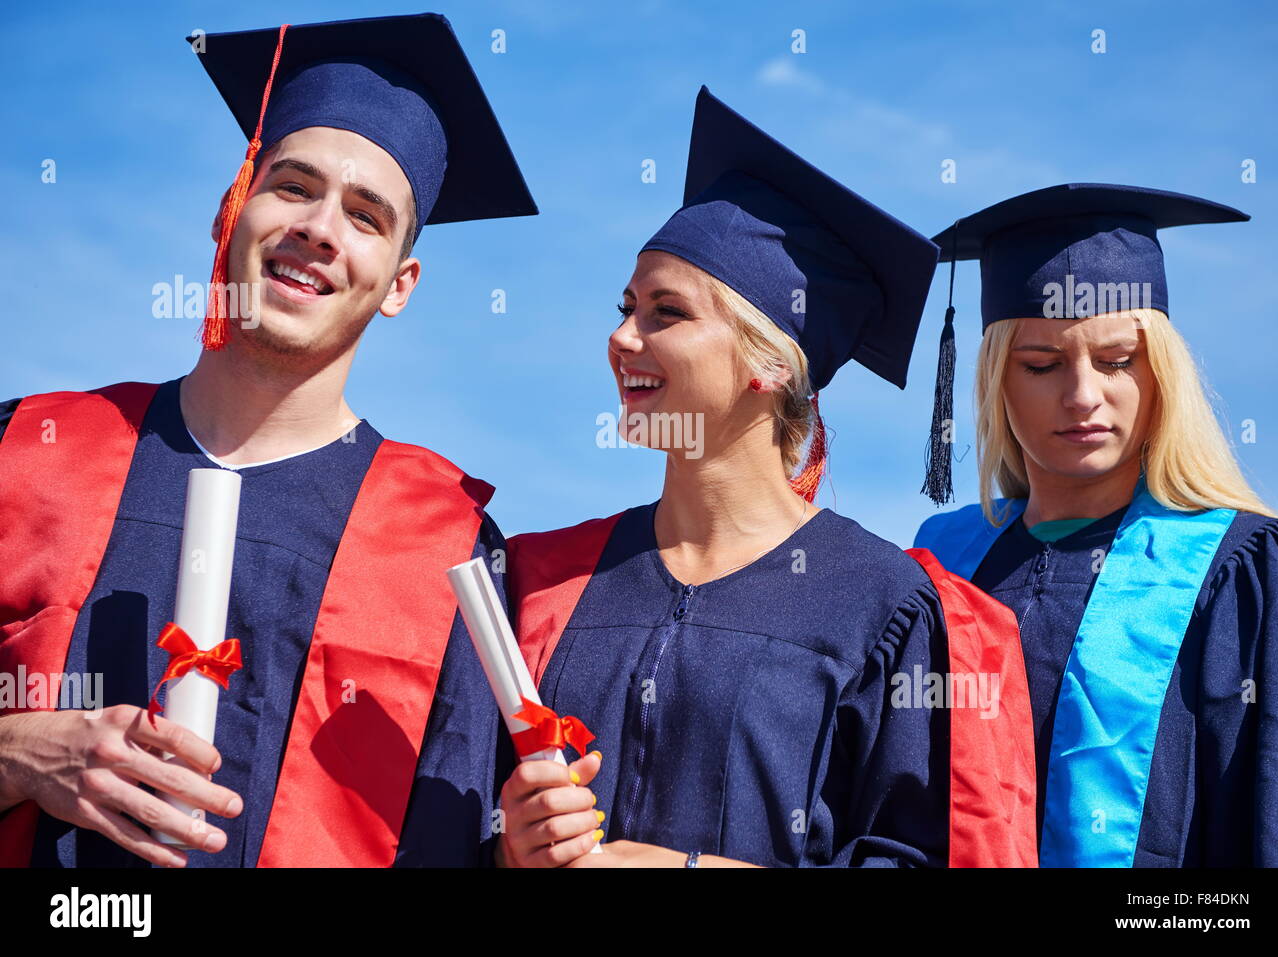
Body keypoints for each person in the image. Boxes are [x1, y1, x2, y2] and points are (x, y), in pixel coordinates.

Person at [0, 13, 535, 868]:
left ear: (400, 284)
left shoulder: (448, 549)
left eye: (366, 215)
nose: (320, 228)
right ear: (234, 206)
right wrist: (19, 755)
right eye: (292, 185)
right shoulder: (28, 455)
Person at [495, 88, 1038, 868]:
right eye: (625, 307)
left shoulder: (881, 605)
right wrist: (512, 845)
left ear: (769, 363)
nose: (621, 337)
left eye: (665, 313)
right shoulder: (552, 581)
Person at [914, 183, 1278, 866]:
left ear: (1161, 373)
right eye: (1042, 364)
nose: (1084, 396)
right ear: (997, 380)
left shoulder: (1241, 572)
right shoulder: (940, 569)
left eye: (1118, 360)